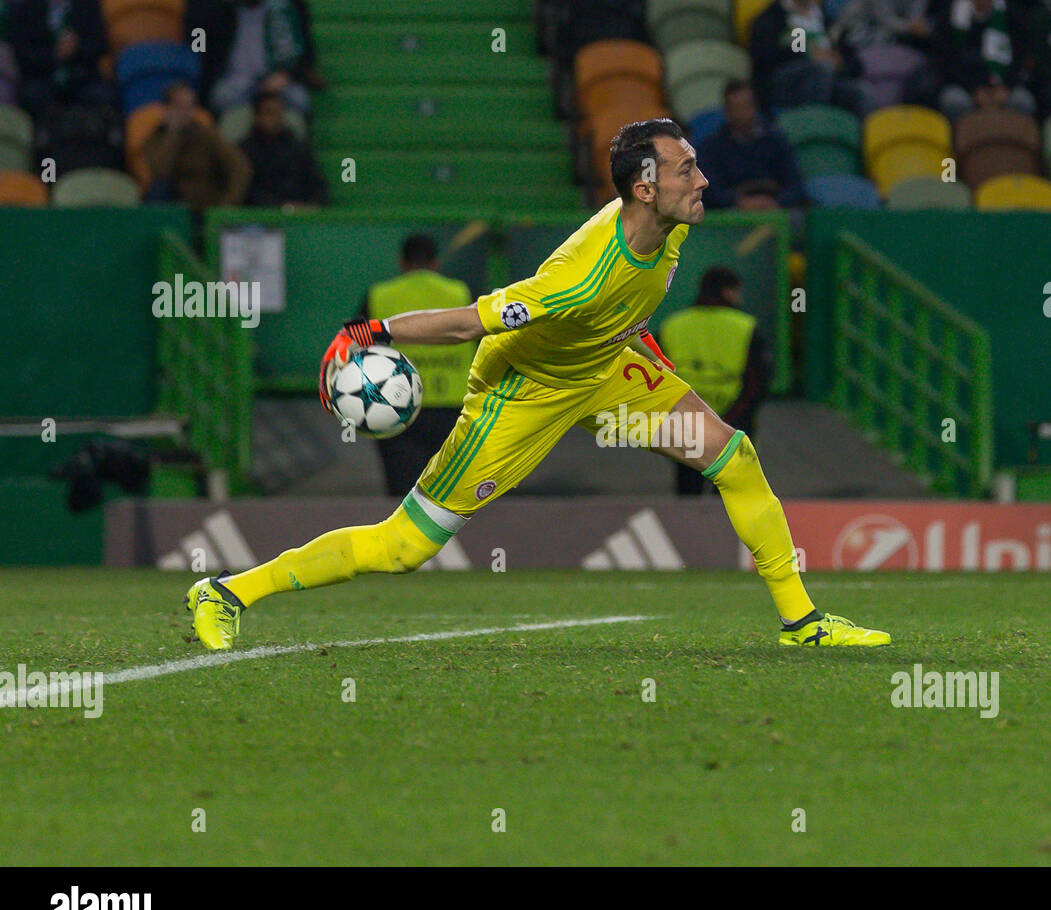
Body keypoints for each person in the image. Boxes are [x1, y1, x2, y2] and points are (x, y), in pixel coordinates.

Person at [187, 118, 890, 650]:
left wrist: (647, 361)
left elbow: (631, 305)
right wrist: (369, 333)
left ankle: (801, 621)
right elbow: (470, 324)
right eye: (686, 170)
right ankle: (227, 591)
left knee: (733, 456)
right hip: (523, 389)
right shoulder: (577, 274)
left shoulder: (670, 227)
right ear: (646, 188)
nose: (702, 180)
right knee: (404, 547)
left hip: (608, 368)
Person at [354, 233, 475, 497]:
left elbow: (355, 344)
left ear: (402, 263)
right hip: (452, 408)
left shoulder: (379, 295)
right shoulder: (461, 292)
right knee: (448, 496)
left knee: (402, 497)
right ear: (436, 262)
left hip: (395, 407)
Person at [658, 268, 772, 495]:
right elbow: (758, 382)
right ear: (728, 292)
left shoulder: (672, 326)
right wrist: (731, 420)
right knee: (732, 498)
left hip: (686, 423)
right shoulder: (747, 327)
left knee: (687, 495)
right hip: (732, 424)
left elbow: (655, 377)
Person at [749, 0, 875, 117]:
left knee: (862, 92)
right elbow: (763, 56)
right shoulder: (770, 18)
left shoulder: (826, 20)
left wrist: (841, 62)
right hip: (785, 85)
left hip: (828, 81)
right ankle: (815, 124)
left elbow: (854, 62)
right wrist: (807, 54)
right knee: (821, 68)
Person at [141, 81, 251, 212]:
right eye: (179, 107)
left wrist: (228, 204)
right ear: (166, 109)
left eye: (189, 107)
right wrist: (172, 135)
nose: (184, 113)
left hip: (205, 205)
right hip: (174, 206)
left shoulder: (207, 136)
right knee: (158, 189)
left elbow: (240, 167)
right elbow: (160, 171)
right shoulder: (156, 138)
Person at [695, 81, 805, 210]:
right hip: (731, 215)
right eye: (736, 108)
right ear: (726, 111)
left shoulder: (776, 141)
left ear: (755, 107)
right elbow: (710, 190)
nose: (742, 113)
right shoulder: (712, 147)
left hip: (775, 209)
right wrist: (738, 202)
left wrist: (775, 202)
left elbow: (795, 184)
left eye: (746, 106)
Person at [935, 0, 1035, 121]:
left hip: (1004, 85)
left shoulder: (1011, 13)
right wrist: (974, 89)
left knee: (1022, 101)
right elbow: (947, 61)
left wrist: (1006, 86)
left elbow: (1020, 56)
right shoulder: (951, 15)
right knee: (953, 101)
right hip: (965, 85)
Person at [239, 90, 327, 207]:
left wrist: (312, 204)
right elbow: (247, 192)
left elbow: (317, 184)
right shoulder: (245, 151)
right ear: (257, 116)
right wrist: (280, 205)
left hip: (299, 215)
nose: (275, 118)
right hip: (261, 217)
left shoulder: (297, 147)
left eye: (278, 113)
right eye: (269, 113)